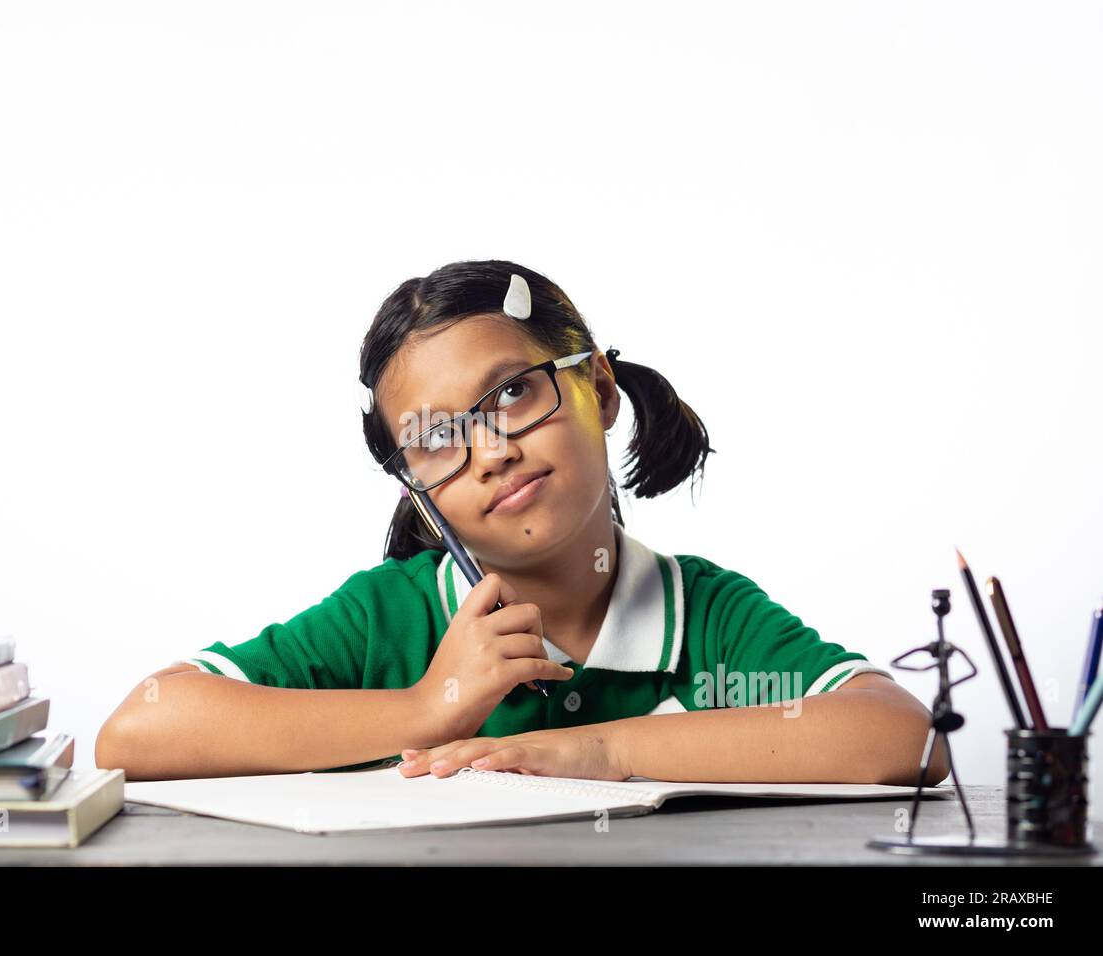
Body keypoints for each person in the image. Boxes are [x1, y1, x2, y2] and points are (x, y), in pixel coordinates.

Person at [96, 259, 949, 787]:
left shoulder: (706, 614)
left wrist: (600, 753)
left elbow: (901, 737)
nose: (493, 449)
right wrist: (431, 704)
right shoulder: (390, 616)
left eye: (512, 392)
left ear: (600, 391)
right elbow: (139, 728)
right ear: (415, 488)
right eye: (437, 438)